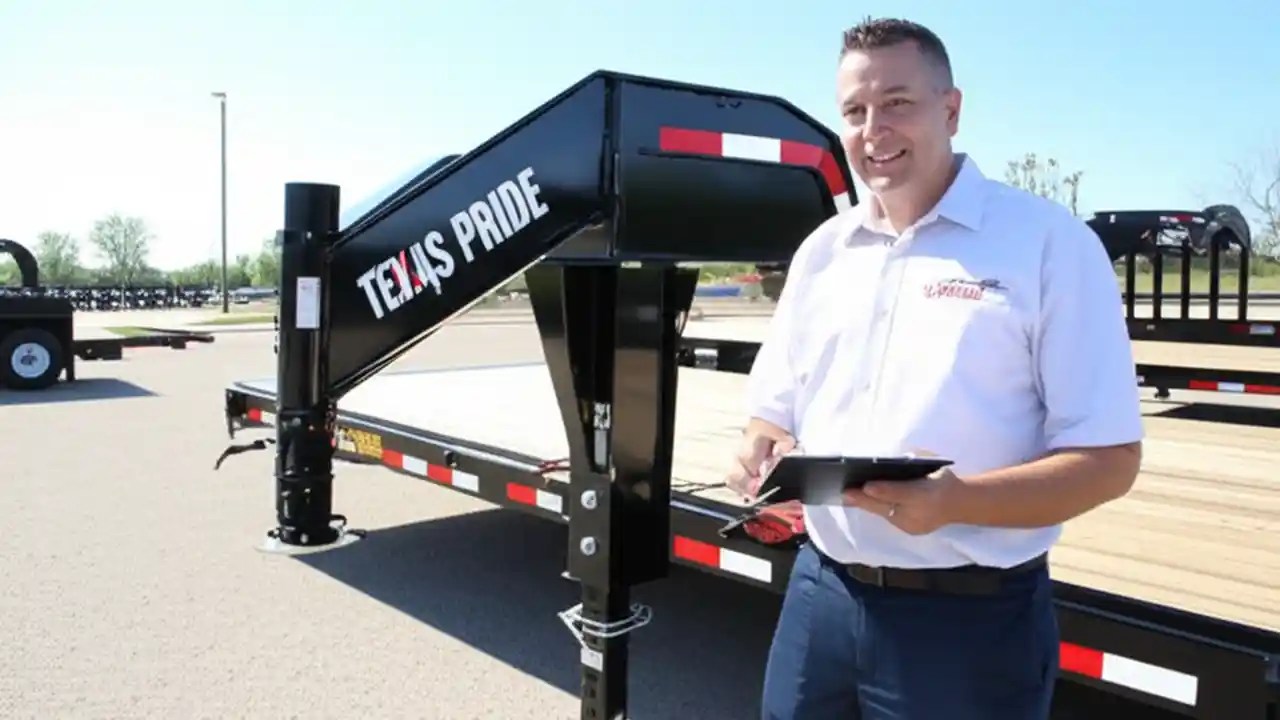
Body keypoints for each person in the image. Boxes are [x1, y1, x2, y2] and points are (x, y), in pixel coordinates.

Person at [727, 17, 1146, 720]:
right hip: (820, 597)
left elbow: (1110, 460)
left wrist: (956, 502)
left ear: (951, 109)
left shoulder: (1046, 245)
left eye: (898, 103)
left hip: (968, 622)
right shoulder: (824, 253)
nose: (873, 130)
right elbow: (774, 409)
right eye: (855, 111)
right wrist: (759, 450)